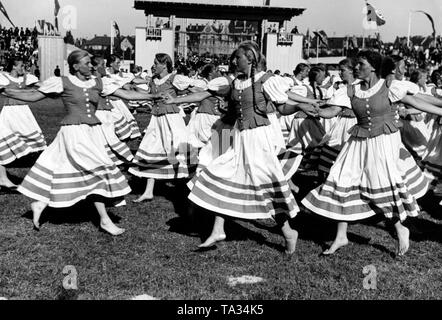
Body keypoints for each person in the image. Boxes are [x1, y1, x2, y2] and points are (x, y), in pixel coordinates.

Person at [302, 50, 442, 256]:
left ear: (373, 67)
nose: (356, 68)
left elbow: (418, 102)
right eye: (356, 65)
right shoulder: (350, 90)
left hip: (383, 142)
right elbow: (331, 111)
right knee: (341, 178)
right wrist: (314, 110)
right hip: (357, 142)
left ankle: (399, 227)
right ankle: (341, 235)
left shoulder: (390, 86)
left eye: (360, 64)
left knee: (379, 184)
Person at [1, 50, 154, 235]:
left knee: (67, 168)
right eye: (87, 63)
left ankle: (40, 203)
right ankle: (104, 220)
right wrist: (5, 90)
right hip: (74, 133)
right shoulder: (62, 82)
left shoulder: (99, 82)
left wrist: (153, 97)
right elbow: (33, 96)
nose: (91, 66)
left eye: (91, 63)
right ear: (75, 66)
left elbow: (127, 95)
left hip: (93, 133)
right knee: (98, 168)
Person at [187, 41, 305, 254]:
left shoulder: (267, 80)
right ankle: (218, 229)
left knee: (266, 187)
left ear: (250, 59)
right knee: (223, 173)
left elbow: (282, 107)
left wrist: (301, 106)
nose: (233, 61)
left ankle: (288, 232)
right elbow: (232, 112)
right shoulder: (236, 83)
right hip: (240, 138)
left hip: (260, 140)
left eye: (237, 57)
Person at [128, 53, 197, 203]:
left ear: (164, 65)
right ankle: (148, 191)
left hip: (172, 121)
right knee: (152, 151)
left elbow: (195, 88)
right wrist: (134, 89)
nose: (153, 66)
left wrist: (184, 98)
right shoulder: (153, 80)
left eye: (156, 63)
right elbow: (148, 94)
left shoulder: (175, 78)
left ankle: (187, 189)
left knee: (177, 153)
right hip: (156, 121)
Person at [0, 57, 45, 190]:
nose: (23, 69)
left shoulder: (28, 78)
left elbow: (43, 87)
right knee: (2, 145)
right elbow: (4, 90)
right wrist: (28, 91)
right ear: (13, 67)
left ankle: (40, 178)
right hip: (9, 114)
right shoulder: (3, 78)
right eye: (21, 66)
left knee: (38, 145)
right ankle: (3, 179)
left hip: (24, 115)